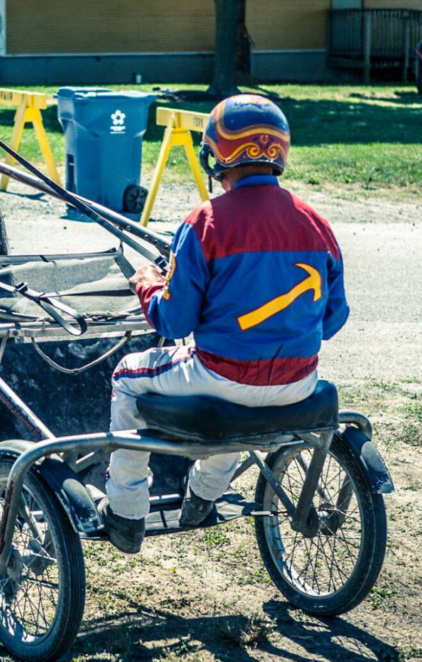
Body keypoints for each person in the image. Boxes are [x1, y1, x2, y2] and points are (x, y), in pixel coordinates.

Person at [99, 94, 349, 554]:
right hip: (300, 382)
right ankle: (203, 497)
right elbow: (333, 320)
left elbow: (173, 321)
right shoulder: (318, 224)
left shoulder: (204, 222)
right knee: (237, 391)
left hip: (222, 378)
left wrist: (148, 284)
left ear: (219, 154)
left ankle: (126, 512)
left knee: (127, 376)